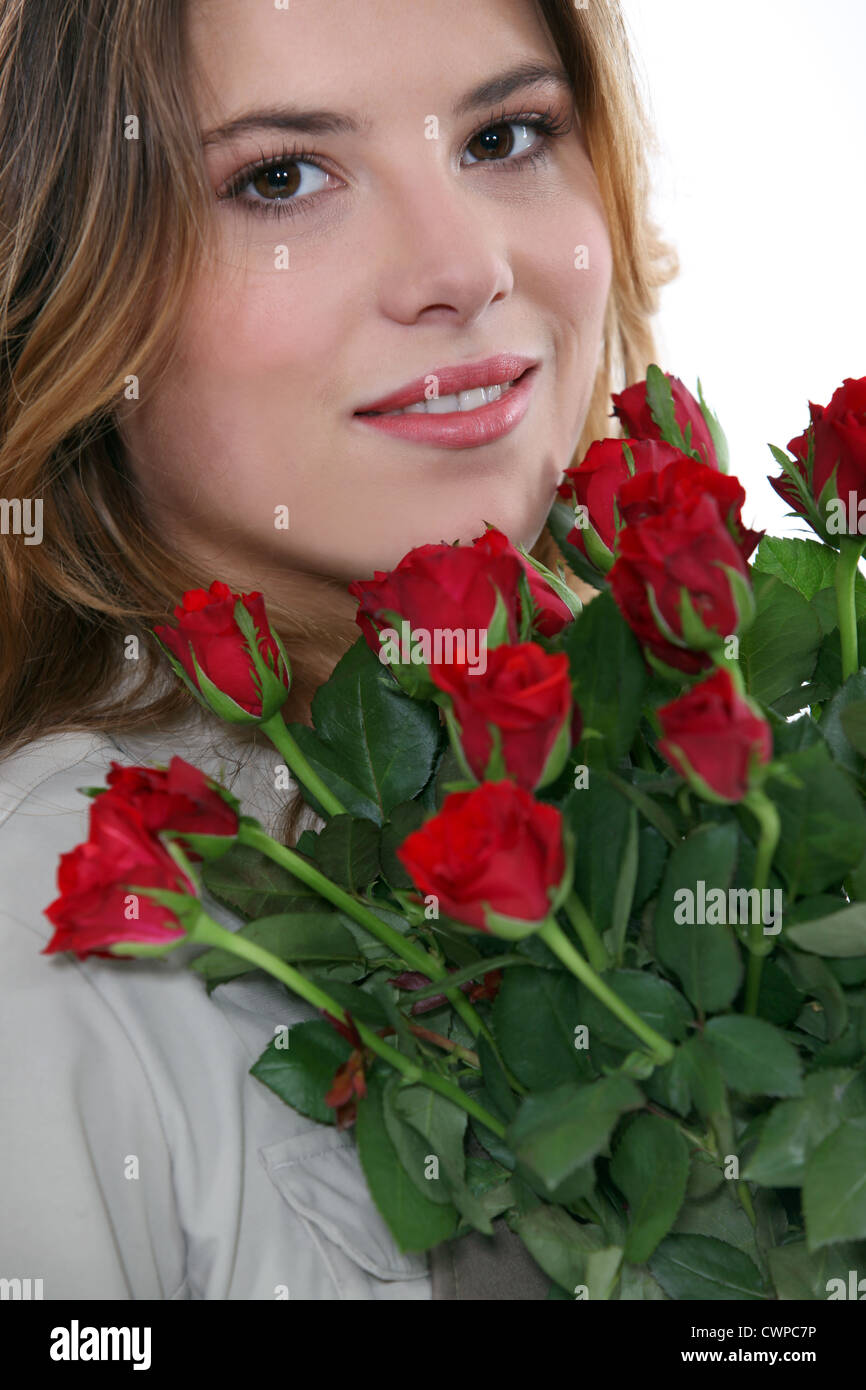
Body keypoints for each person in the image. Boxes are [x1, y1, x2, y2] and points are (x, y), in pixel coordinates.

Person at [0, 0, 674, 1299]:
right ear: (70, 281)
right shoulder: (46, 941)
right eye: (280, 176)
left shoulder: (711, 769)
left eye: (503, 134)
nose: (461, 266)